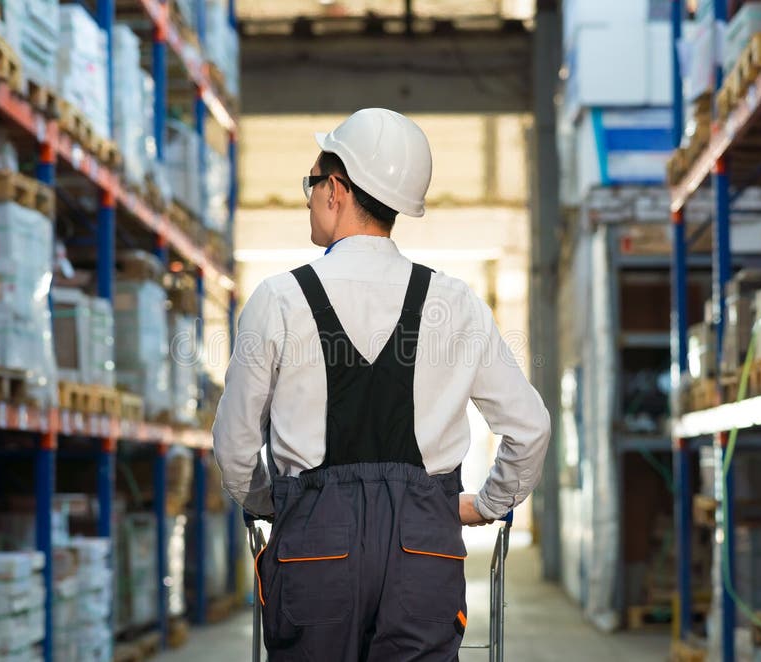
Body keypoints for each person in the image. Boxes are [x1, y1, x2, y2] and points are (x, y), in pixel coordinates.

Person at [213, 108, 551, 661]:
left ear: (338, 188)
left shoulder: (278, 300)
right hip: (424, 550)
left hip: (314, 554)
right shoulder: (454, 302)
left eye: (312, 183)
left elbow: (233, 448)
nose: (308, 197)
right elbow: (530, 428)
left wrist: (273, 503)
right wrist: (487, 505)